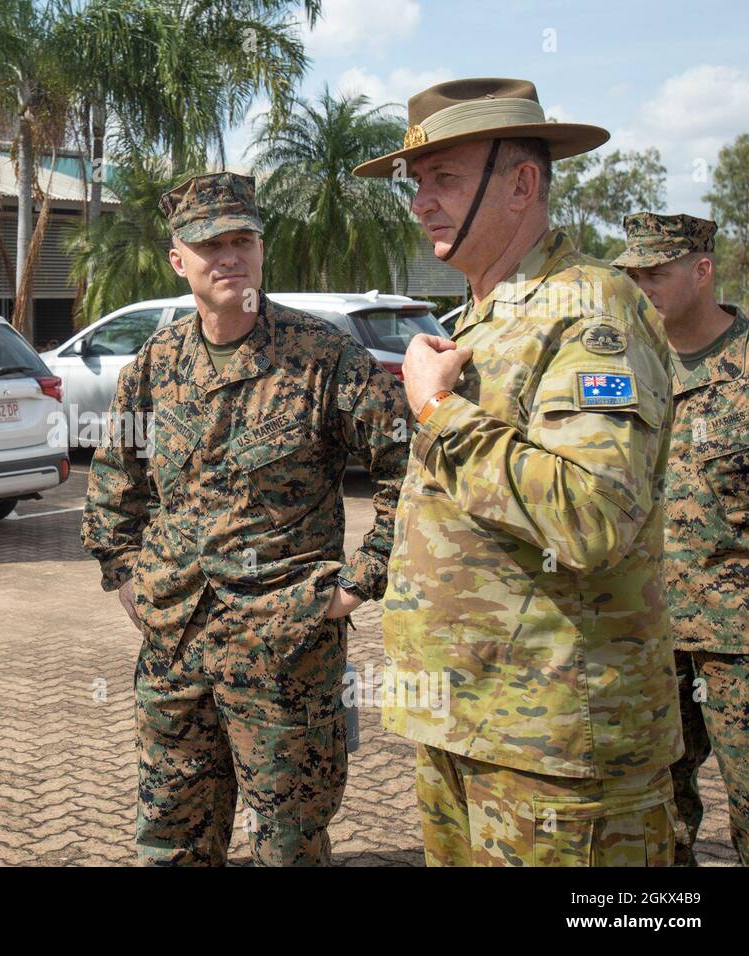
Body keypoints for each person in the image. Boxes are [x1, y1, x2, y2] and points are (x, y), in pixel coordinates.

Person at [353, 77, 681, 866]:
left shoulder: (591, 309)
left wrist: (440, 413)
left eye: (446, 178)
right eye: (417, 183)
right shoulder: (480, 319)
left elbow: (591, 514)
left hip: (561, 748)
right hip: (469, 727)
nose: (421, 201)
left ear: (522, 183)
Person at [81, 172, 410, 865]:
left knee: (288, 843)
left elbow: (407, 472)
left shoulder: (323, 358)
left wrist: (360, 580)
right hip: (175, 645)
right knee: (171, 838)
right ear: (179, 260)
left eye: (243, 241)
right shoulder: (154, 364)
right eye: (210, 245)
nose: (229, 257)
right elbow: (116, 479)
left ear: (262, 250)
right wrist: (126, 578)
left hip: (285, 648)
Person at [614, 212, 749, 866]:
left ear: (702, 270)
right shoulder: (623, 370)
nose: (642, 287)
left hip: (740, 643)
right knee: (655, 807)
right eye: (632, 274)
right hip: (649, 634)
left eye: (655, 272)